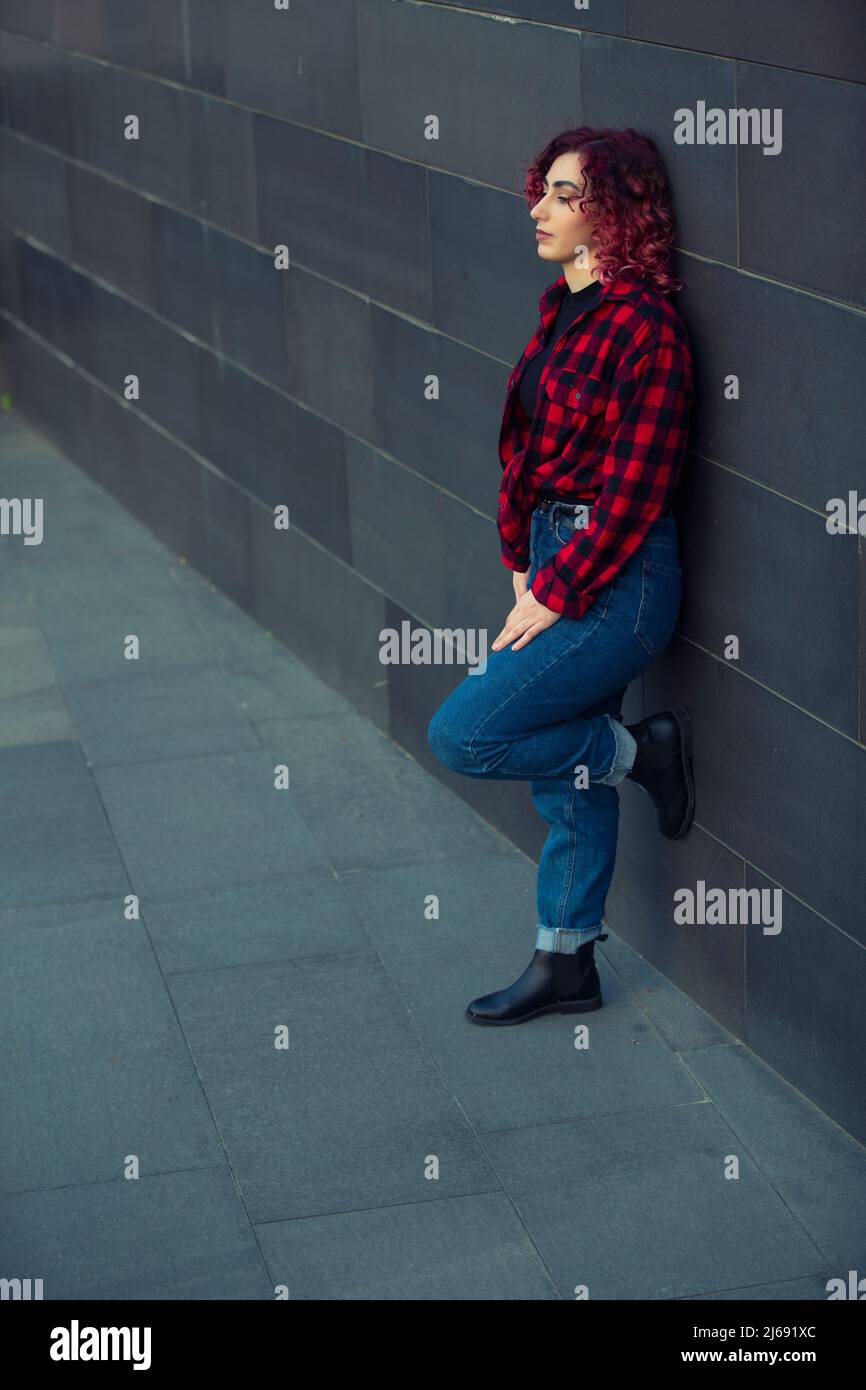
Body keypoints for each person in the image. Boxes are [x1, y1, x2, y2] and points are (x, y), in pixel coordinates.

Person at [426, 127, 695, 1026]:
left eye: (566, 194)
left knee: (467, 733)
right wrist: (520, 562)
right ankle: (567, 962)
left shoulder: (648, 332)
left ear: (615, 211)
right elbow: (527, 455)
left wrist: (553, 588)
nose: (539, 207)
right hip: (553, 558)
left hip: (621, 585)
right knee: (563, 779)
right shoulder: (563, 308)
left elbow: (632, 493)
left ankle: (643, 753)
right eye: (543, 189)